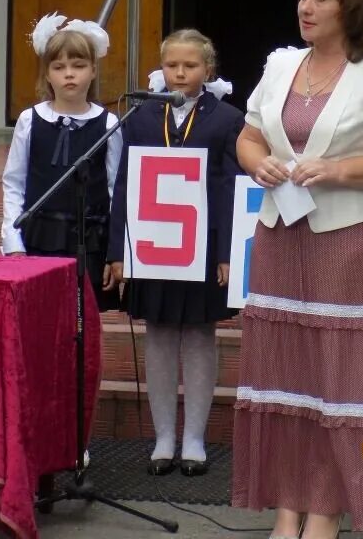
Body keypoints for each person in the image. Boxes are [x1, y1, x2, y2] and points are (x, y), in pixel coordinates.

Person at [232, 0, 363, 538]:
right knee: (286, 375)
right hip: (278, 237)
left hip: (344, 241)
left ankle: (326, 511)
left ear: (350, 8)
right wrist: (259, 162)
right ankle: (287, 510)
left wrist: (337, 170)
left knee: (337, 381)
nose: (305, 8)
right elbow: (248, 136)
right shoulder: (281, 63)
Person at [106, 29, 243, 477]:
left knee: (199, 335)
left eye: (190, 66)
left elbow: (228, 189)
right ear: (160, 68)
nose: (180, 74)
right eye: (172, 66)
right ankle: (164, 436)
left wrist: (227, 252)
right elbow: (124, 184)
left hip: (202, 247)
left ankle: (194, 438)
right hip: (152, 245)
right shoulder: (142, 116)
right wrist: (119, 249)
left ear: (208, 70)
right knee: (160, 333)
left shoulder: (226, 120)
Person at [1, 13, 122, 312]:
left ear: (93, 71)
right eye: (60, 67)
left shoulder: (108, 123)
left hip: (90, 241)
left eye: (79, 66)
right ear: (47, 74)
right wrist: (12, 241)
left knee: (83, 321)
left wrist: (115, 253)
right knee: (40, 317)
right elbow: (14, 182)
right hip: (40, 238)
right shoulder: (30, 120)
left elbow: (115, 190)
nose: (69, 74)